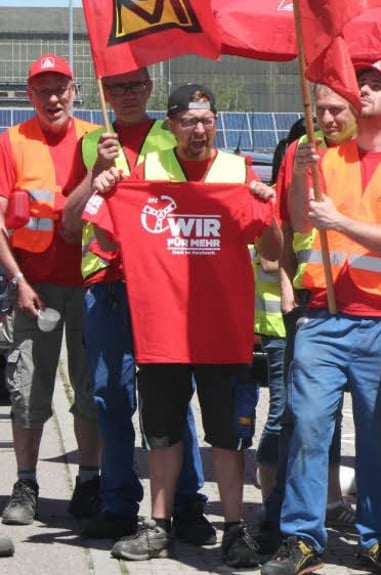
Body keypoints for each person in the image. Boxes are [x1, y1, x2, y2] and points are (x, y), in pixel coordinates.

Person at [86, 82, 281, 567]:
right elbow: (98, 232)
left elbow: (275, 254)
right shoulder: (145, 173)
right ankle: (157, 525)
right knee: (161, 434)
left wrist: (269, 206)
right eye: (189, 120)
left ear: (217, 121)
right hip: (163, 334)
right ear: (170, 124)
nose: (200, 128)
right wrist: (104, 188)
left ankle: (234, 529)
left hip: (223, 332)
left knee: (229, 438)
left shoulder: (239, 173)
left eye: (207, 118)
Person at [262, 60, 381, 575]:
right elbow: (296, 218)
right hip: (322, 314)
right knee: (310, 426)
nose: (363, 89)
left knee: (379, 438)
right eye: (359, 83)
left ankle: (376, 537)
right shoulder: (317, 154)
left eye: (377, 85)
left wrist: (340, 221)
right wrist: (298, 173)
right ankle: (301, 539)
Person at [59, 66, 214, 543]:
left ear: (149, 89)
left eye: (135, 86)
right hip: (106, 287)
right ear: (104, 92)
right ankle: (118, 503)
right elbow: (68, 223)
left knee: (171, 400)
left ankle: (186, 505)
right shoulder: (90, 143)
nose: (125, 95)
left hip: (163, 288)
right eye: (116, 87)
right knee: (110, 397)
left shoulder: (176, 136)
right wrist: (96, 175)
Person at [256, 87, 359, 554]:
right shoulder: (297, 160)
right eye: (319, 111)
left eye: (336, 110)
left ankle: (327, 505)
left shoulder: (364, 161)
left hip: (353, 306)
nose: (326, 119)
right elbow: (283, 231)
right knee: (294, 418)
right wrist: (283, 290)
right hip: (304, 306)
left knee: (330, 423)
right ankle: (282, 513)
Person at [0, 53, 100, 526]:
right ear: (29, 95)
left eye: (61, 87)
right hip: (33, 288)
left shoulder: (96, 141)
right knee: (28, 390)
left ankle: (89, 482)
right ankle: (26, 484)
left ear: (75, 91)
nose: (53, 97)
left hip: (89, 287)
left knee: (90, 389)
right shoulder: (12, 142)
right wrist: (18, 281)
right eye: (43, 90)